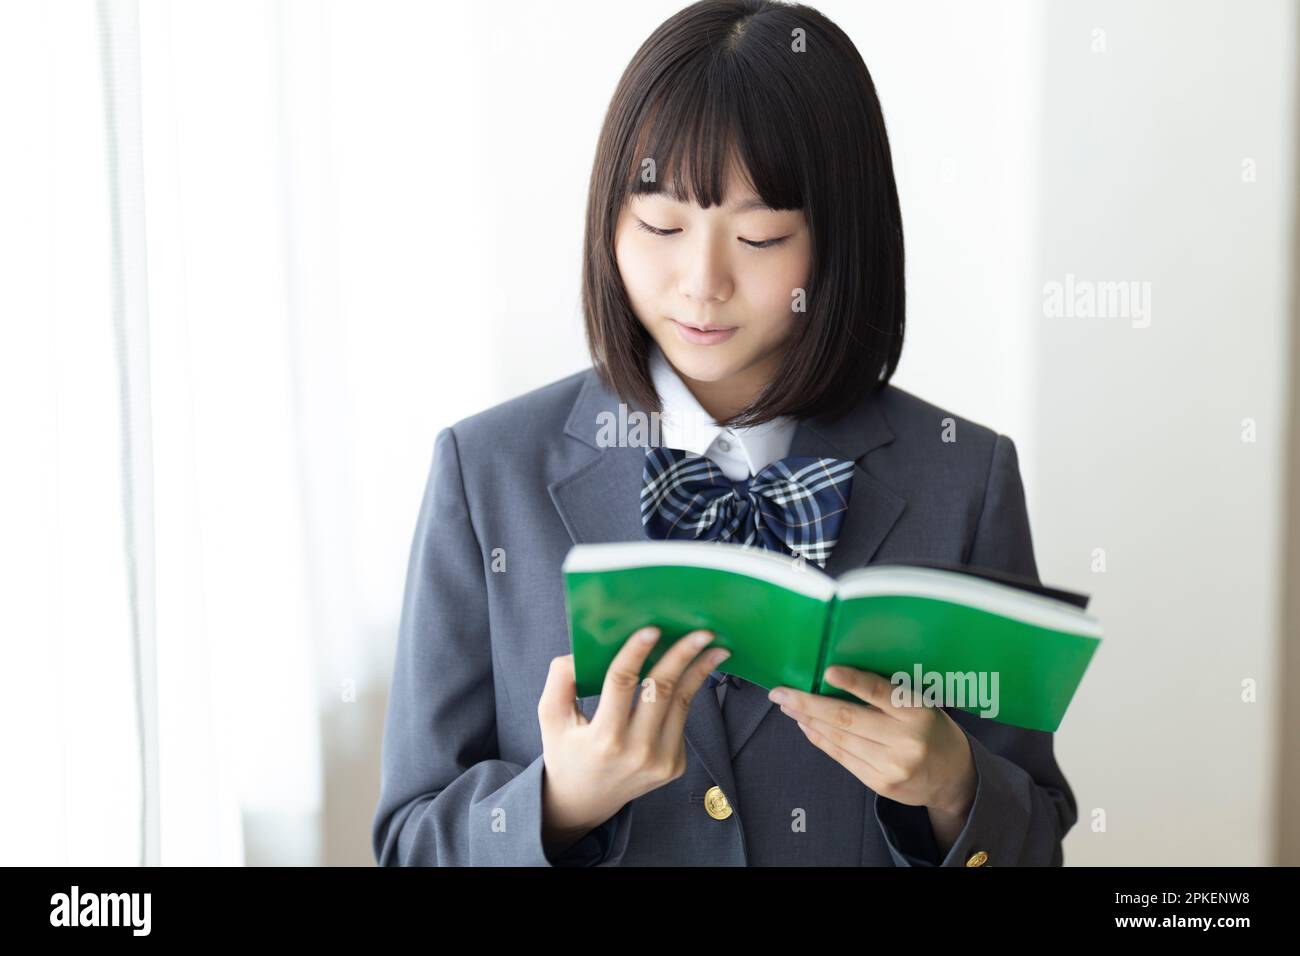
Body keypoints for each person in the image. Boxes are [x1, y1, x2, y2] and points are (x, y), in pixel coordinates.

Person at [372, 0, 1077, 866]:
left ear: (842, 240)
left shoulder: (964, 480)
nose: (701, 283)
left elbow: (1038, 836)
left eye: (759, 235)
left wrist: (952, 787)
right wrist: (557, 803)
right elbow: (408, 843)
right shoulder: (487, 473)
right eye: (661, 226)